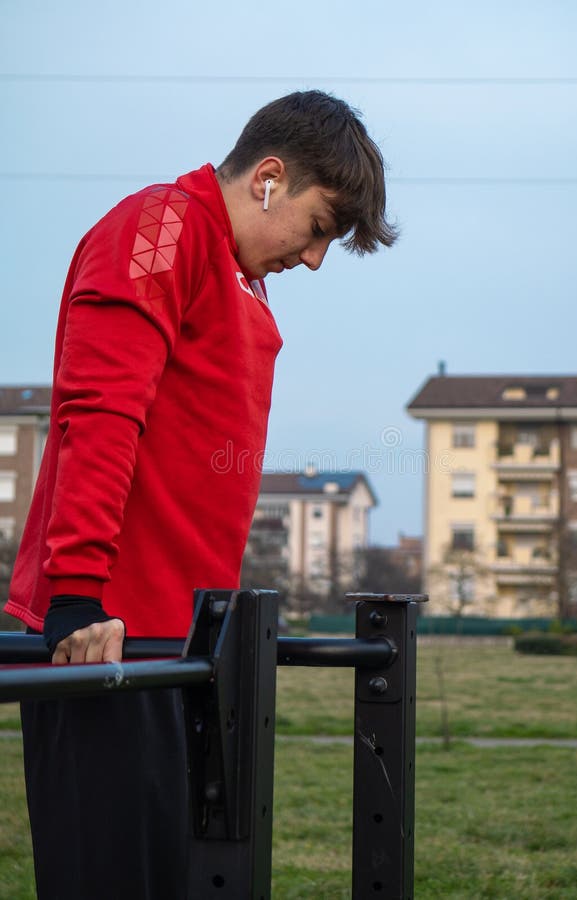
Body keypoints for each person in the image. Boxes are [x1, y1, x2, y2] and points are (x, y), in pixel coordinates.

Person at [5, 90, 397, 899]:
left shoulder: (242, 274)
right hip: (109, 635)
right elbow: (102, 413)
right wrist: (76, 594)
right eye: (318, 228)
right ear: (268, 178)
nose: (316, 259)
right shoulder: (163, 226)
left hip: (186, 639)